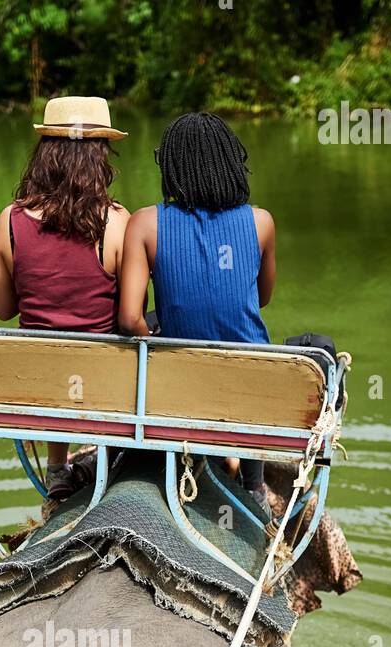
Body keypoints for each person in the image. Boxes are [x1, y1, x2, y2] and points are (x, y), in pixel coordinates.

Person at [118, 112, 276, 503]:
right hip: (252, 385)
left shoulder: (144, 223)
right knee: (247, 339)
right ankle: (254, 485)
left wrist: (151, 333)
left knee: (157, 323)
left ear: (171, 168)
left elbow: (129, 319)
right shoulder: (261, 223)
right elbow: (261, 298)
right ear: (231, 165)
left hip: (181, 382)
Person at [0, 96, 130, 501]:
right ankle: (111, 451)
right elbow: (126, 315)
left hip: (39, 386)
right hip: (102, 383)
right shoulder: (118, 223)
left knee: (51, 342)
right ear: (100, 156)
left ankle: (57, 466)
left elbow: (3, 309)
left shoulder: (10, 221)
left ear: (45, 155)